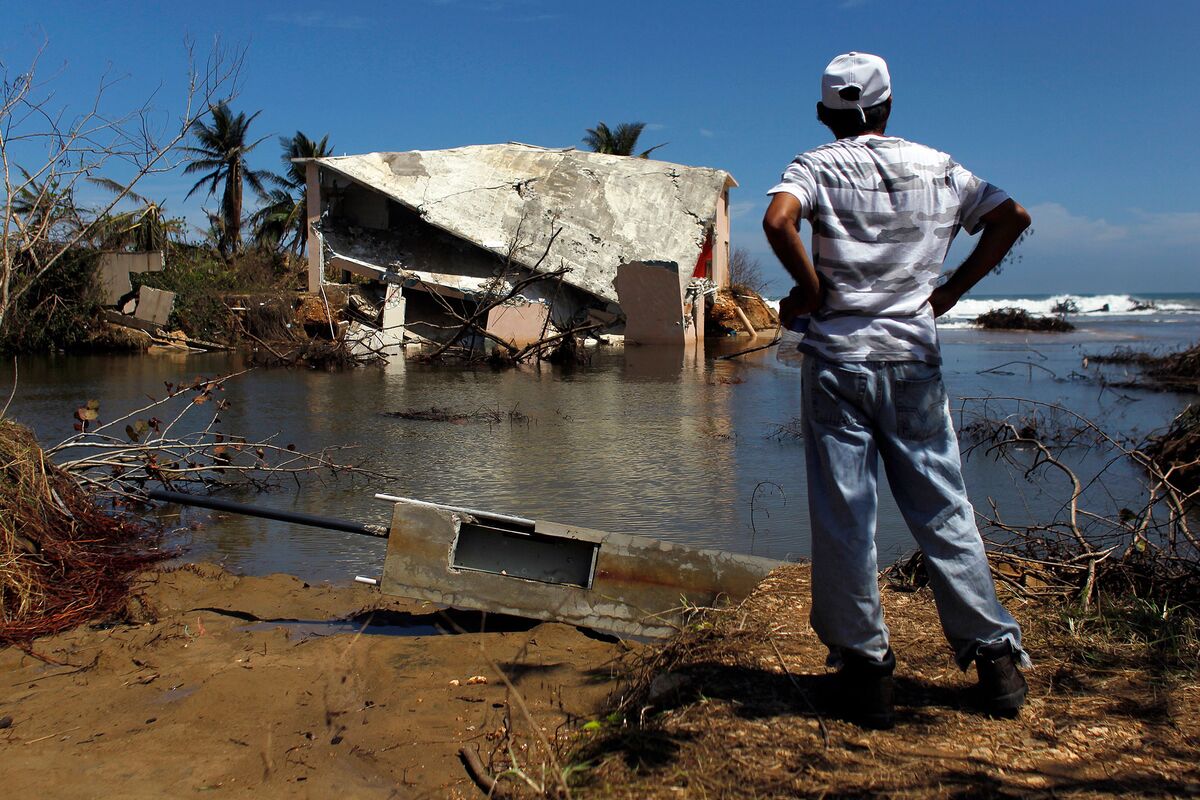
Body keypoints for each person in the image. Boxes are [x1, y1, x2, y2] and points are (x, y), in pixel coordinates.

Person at [762, 52, 1032, 729]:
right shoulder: (940, 167)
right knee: (943, 506)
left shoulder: (814, 166)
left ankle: (865, 674)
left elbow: (777, 222)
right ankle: (995, 662)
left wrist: (814, 290)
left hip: (837, 361)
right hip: (911, 359)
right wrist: (947, 294)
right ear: (887, 109)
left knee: (846, 516)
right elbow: (1011, 216)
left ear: (826, 115)